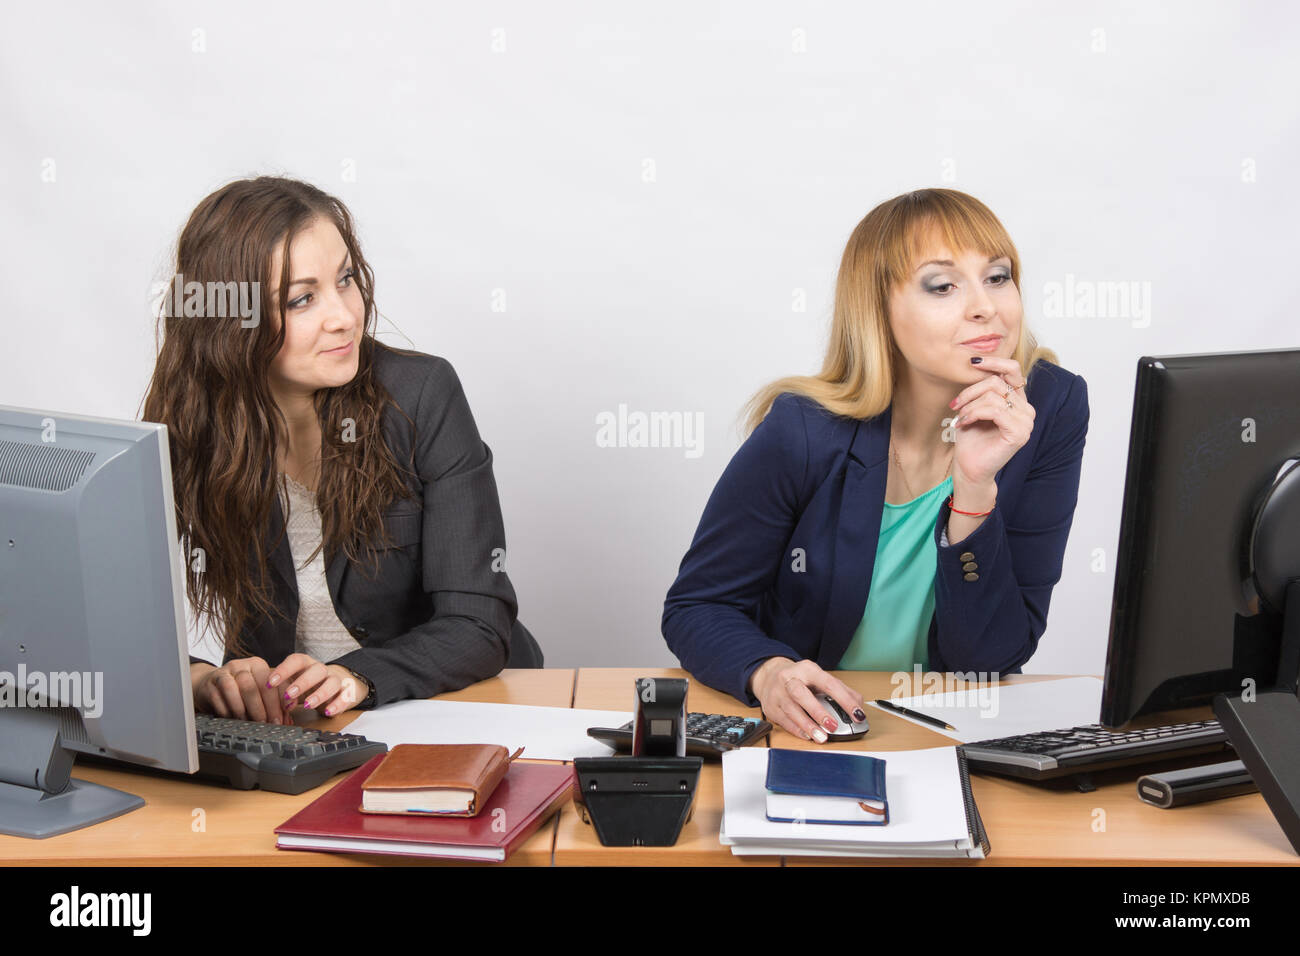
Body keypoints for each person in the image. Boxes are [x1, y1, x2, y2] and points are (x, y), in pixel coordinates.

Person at [661, 188, 1089, 743]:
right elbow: (698, 605)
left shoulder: (1049, 408)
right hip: (815, 733)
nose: (985, 306)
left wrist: (975, 488)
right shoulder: (804, 431)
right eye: (943, 285)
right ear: (878, 311)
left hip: (957, 735)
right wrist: (768, 675)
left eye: (998, 276)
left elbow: (995, 655)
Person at [142, 176, 541, 725]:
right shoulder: (194, 424)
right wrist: (202, 678)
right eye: (302, 299)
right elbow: (118, 617)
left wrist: (357, 675)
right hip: (300, 730)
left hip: (446, 707)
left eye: (346, 279)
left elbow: (477, 621)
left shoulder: (422, 395)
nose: (345, 316)